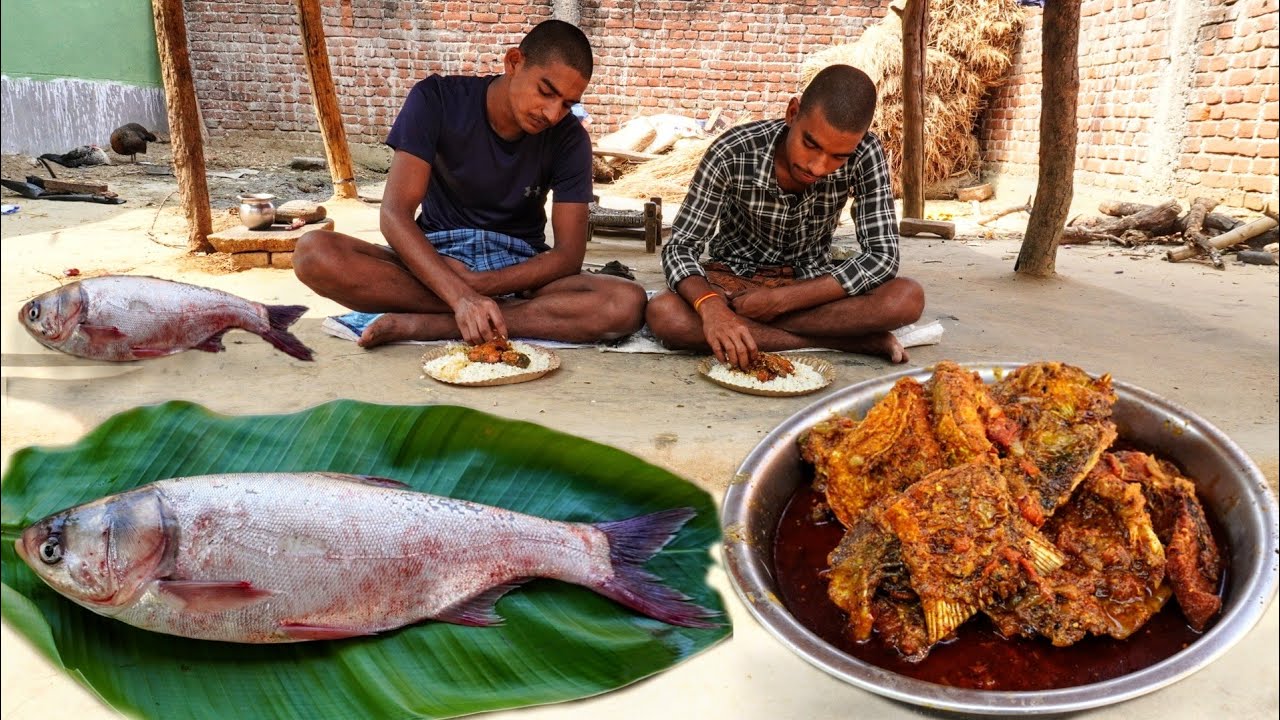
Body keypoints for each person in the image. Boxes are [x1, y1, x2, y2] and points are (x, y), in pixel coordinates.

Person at [293, 20, 646, 347]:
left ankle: (430, 325)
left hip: (519, 275)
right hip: (433, 262)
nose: (553, 114)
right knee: (314, 253)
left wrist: (482, 287)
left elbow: (568, 256)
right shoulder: (436, 100)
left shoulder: (569, 138)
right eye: (546, 92)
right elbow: (394, 215)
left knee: (625, 302)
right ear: (513, 62)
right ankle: (476, 315)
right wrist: (458, 294)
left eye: (568, 104)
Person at [645, 64, 925, 366]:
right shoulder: (733, 152)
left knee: (906, 298)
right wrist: (712, 308)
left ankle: (765, 333)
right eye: (810, 144)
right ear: (793, 113)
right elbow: (681, 247)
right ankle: (846, 341)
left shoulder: (866, 153)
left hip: (810, 287)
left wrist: (782, 300)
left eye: (838, 156)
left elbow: (882, 257)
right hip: (733, 286)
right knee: (666, 314)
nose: (818, 166)